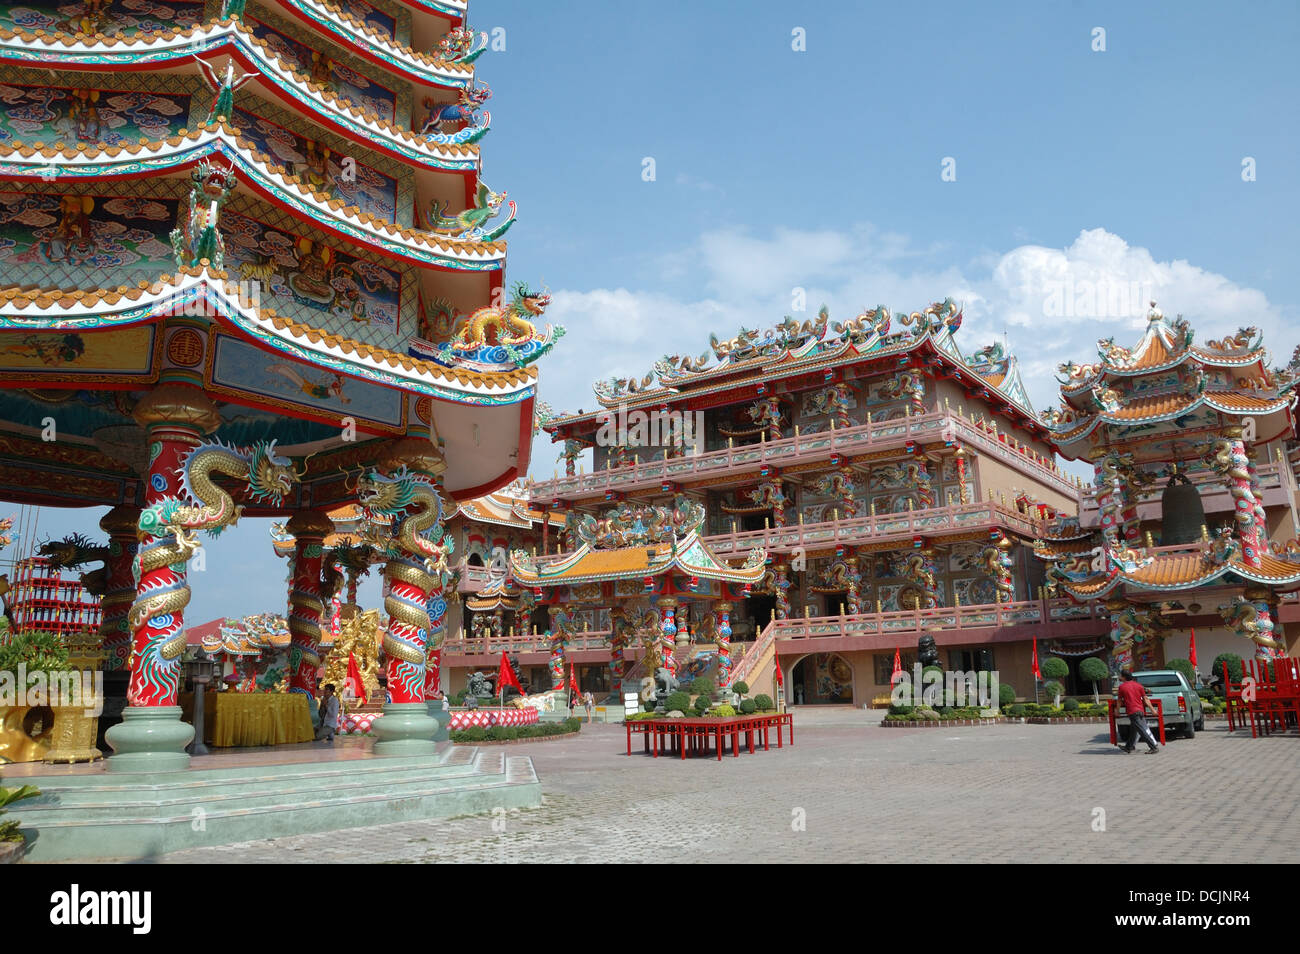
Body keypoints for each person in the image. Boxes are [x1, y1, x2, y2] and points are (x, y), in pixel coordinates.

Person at [1117, 669, 1159, 754]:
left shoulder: (1122, 687)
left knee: (1141, 730)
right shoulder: (1139, 685)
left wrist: (1117, 711)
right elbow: (1146, 699)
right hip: (1140, 710)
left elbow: (1119, 701)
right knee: (1134, 730)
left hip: (1132, 711)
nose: (1119, 677)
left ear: (1124, 677)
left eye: (1120, 675)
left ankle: (1153, 747)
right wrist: (1153, 710)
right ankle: (1129, 747)